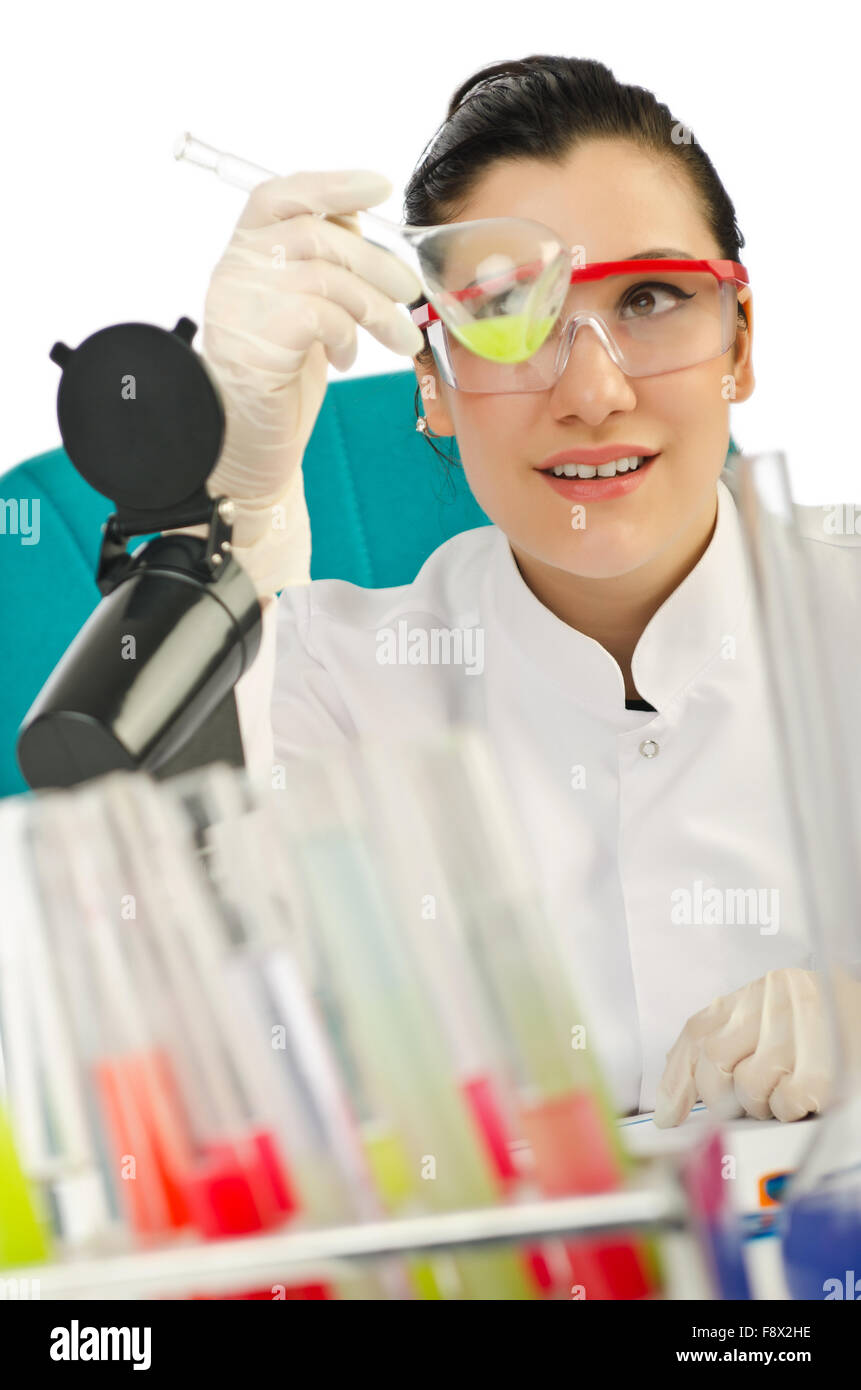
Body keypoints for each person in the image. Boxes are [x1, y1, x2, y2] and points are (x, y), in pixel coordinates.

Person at [195, 55, 861, 1126]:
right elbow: (162, 1000)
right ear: (434, 387)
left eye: (651, 298)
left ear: (741, 345)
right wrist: (228, 504)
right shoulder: (334, 677)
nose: (594, 391)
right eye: (509, 310)